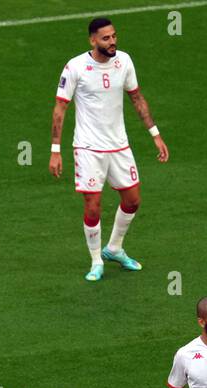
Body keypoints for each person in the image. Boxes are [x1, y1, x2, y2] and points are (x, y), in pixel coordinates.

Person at [49, 16, 169, 282]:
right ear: (93, 40)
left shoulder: (124, 61)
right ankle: (95, 261)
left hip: (119, 145)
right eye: (106, 38)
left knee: (133, 200)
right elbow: (60, 108)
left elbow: (136, 97)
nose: (112, 41)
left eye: (114, 36)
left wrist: (155, 135)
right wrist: (55, 150)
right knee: (93, 205)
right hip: (88, 148)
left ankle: (114, 248)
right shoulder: (76, 67)